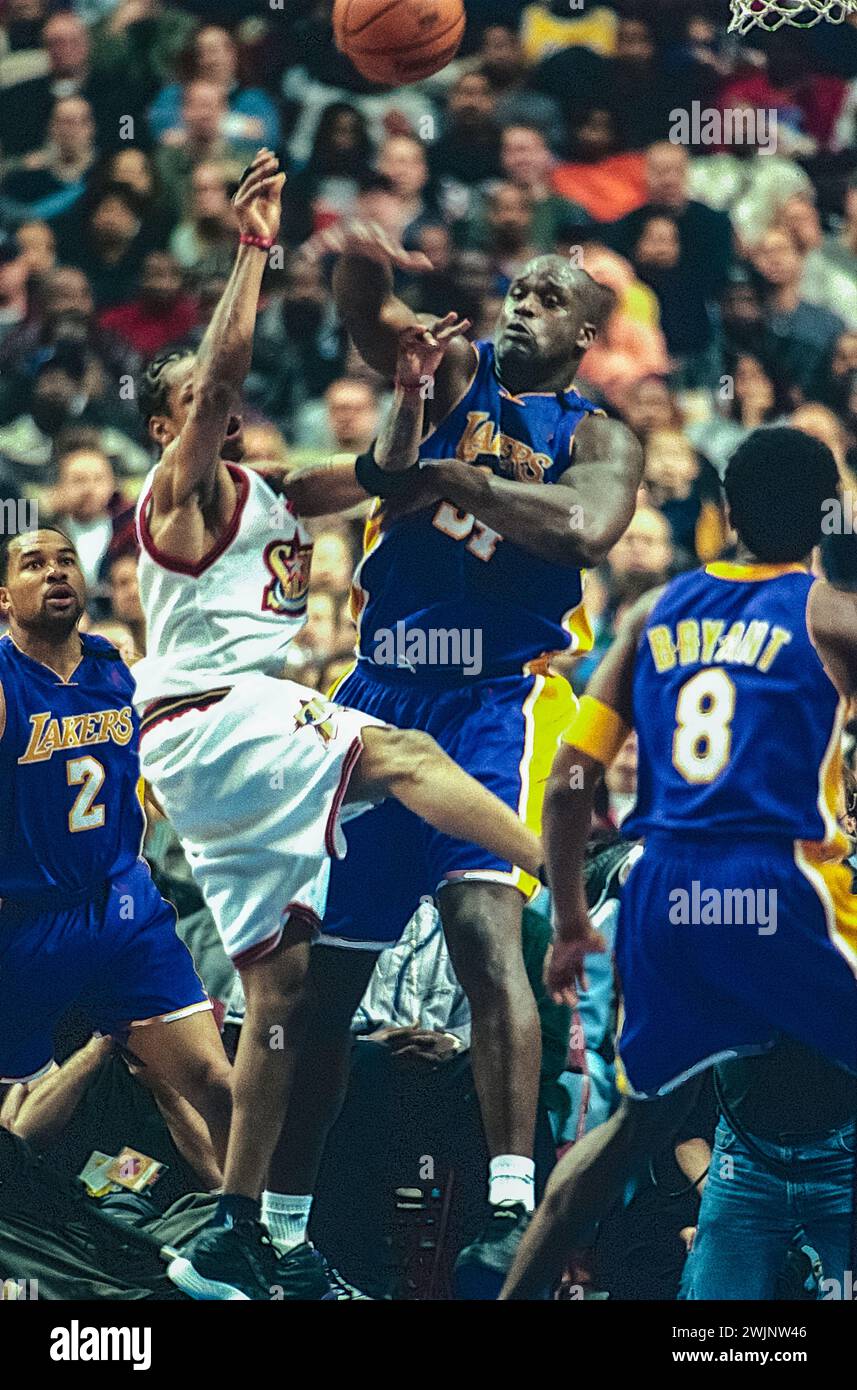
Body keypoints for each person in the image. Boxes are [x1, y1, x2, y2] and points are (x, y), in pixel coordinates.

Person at [129, 150, 546, 1301]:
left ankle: (238, 1230)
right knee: (409, 755)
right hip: (214, 716)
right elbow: (217, 382)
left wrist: (413, 384)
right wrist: (255, 249)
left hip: (211, 749)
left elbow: (379, 474)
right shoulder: (181, 487)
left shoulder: (271, 492)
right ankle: (555, 867)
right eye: (197, 401)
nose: (224, 406)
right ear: (173, 418)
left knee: (285, 996)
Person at [297, 216, 642, 1298]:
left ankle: (506, 1196)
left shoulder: (599, 435)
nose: (521, 301)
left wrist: (450, 480)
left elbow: (583, 532)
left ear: (585, 332)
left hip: (496, 698)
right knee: (325, 969)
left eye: (547, 296)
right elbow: (364, 320)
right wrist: (361, 256)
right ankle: (276, 1218)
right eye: (518, 288)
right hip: (380, 689)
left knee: (485, 930)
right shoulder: (450, 368)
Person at [500, 426, 857, 1298]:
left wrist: (574, 921)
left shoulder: (651, 613)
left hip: (666, 893)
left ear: (724, 511)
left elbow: (567, 782)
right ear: (825, 516)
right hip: (779, 882)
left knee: (632, 1125)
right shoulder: (828, 613)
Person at [0, 526, 233, 1164]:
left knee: (217, 1085)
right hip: (26, 919)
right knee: (13, 1129)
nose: (54, 573)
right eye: (33, 564)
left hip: (122, 907)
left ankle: (264, 1237)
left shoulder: (116, 670)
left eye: (66, 560)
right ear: (3, 595)